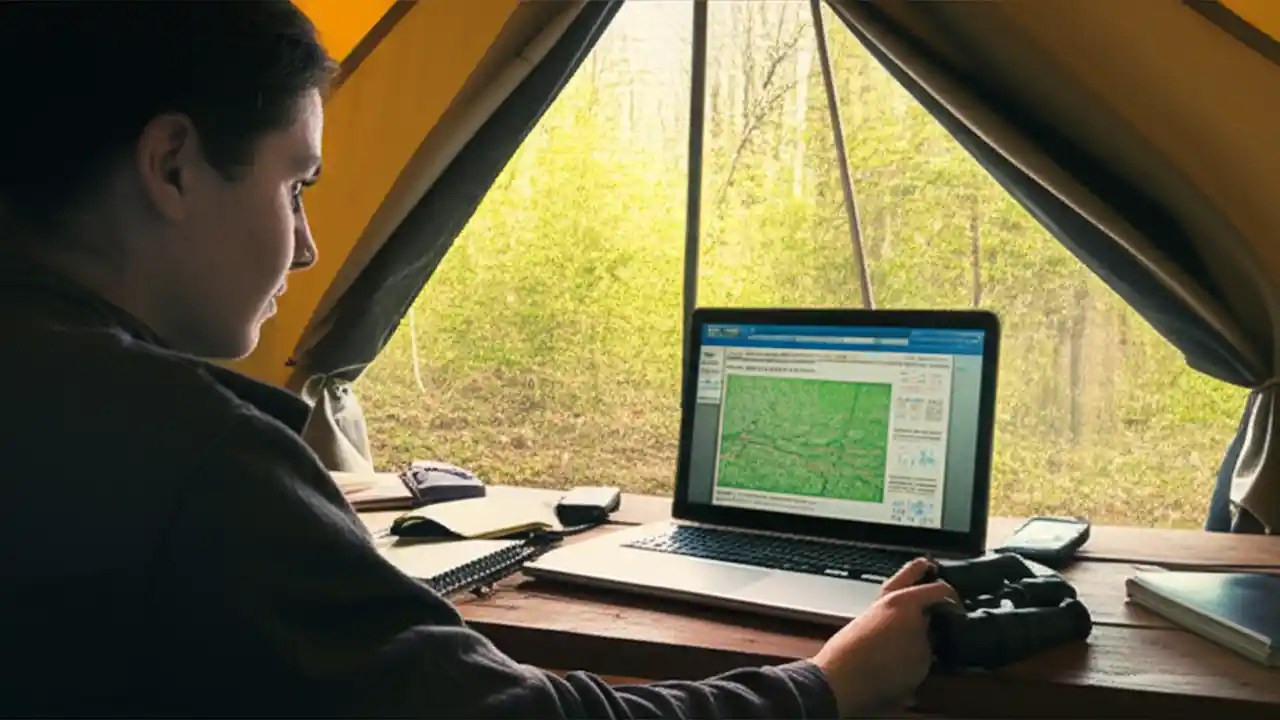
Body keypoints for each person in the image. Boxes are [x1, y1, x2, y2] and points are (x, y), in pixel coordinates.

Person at [0, 2, 958, 716]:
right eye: (298, 183)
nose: (305, 248)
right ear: (171, 165)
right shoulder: (194, 460)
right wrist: (827, 684)